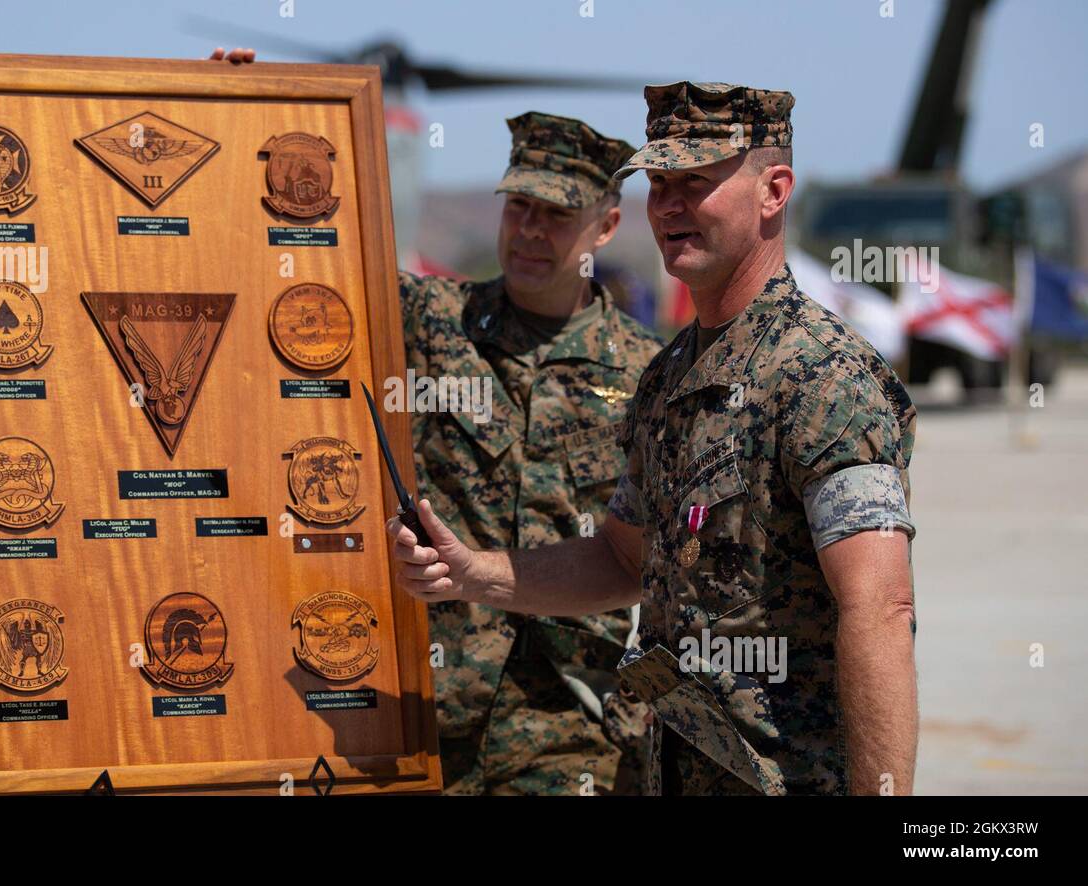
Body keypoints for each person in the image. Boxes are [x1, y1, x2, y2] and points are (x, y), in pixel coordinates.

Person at [388, 81, 919, 796]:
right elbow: (619, 559)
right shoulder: (669, 379)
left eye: (695, 183)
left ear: (774, 191)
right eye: (658, 184)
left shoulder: (822, 377)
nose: (669, 206)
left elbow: (880, 609)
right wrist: (471, 572)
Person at [207, 48, 662, 795]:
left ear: (607, 226)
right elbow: (289, 260)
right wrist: (236, 109)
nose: (530, 231)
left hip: (573, 726)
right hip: (421, 711)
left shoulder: (651, 374)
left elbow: (648, 564)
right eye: (519, 206)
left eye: (557, 214)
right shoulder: (427, 320)